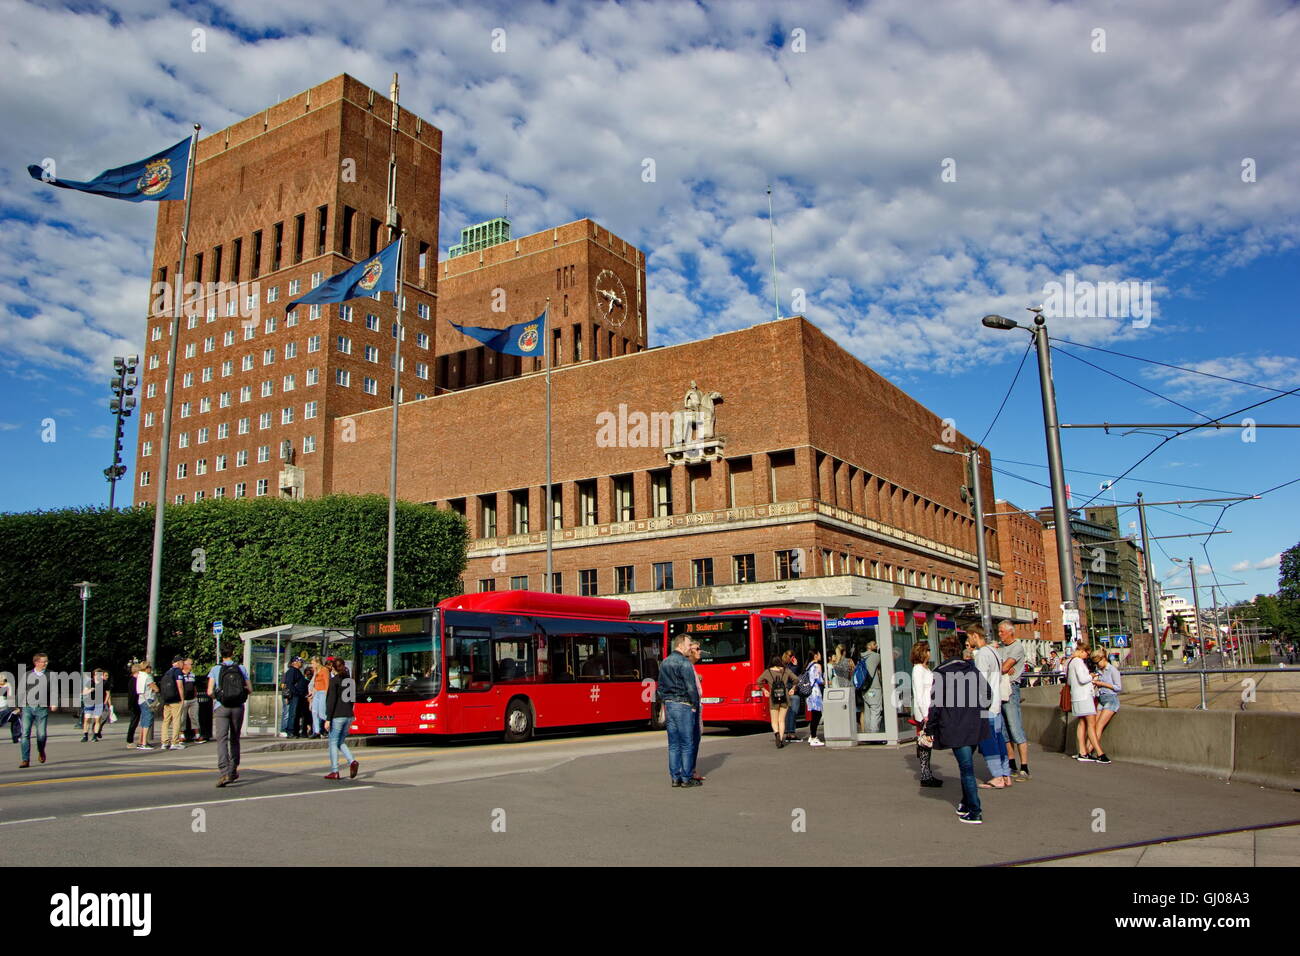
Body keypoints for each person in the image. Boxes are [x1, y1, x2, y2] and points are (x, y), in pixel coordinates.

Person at [924, 635, 987, 824]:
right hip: (974, 724)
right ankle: (966, 803)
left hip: (954, 725)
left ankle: (975, 810)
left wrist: (930, 728)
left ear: (944, 652)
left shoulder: (941, 672)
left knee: (966, 768)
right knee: (966, 766)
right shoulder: (972, 669)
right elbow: (988, 694)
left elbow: (935, 705)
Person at [967, 624, 1012, 789]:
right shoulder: (994, 651)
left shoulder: (982, 654)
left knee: (987, 741)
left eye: (969, 637)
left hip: (986, 705)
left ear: (974, 636)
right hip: (996, 703)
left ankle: (997, 776)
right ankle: (1006, 774)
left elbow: (979, 682)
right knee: (999, 739)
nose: (968, 640)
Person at [658, 633, 701, 787]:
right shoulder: (685, 663)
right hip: (684, 705)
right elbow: (691, 688)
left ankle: (675, 777)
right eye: (689, 645)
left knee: (674, 744)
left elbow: (660, 687)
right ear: (681, 645)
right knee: (687, 743)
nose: (691, 648)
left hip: (670, 704)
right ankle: (686, 778)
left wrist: (667, 699)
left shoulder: (665, 662)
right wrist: (694, 704)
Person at [208, 649, 251, 787]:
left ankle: (224, 771)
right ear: (233, 653)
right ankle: (233, 770)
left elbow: (209, 691)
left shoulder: (216, 669)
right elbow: (250, 689)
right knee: (235, 739)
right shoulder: (241, 668)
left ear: (221, 655)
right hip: (238, 707)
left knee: (221, 739)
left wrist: (219, 697)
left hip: (222, 707)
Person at [996, 620, 1031, 780]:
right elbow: (1001, 667)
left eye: (1002, 631)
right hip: (1000, 689)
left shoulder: (1016, 647)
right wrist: (1002, 667)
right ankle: (1011, 763)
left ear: (1010, 632)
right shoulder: (1000, 648)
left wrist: (1002, 667)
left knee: (1015, 727)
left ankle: (1024, 766)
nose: (999, 634)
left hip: (1011, 689)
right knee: (1003, 730)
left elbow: (1003, 667)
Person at [1068, 642, 1108, 763]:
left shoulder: (1070, 662)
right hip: (1084, 697)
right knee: (1091, 724)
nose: (1087, 656)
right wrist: (1091, 676)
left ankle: (1082, 752)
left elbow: (1070, 682)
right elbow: (1083, 679)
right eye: (1087, 653)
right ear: (1082, 651)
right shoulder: (1079, 662)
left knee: (1082, 723)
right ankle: (1100, 753)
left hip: (1076, 696)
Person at [910, 641, 941, 787]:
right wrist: (925, 713)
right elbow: (920, 693)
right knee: (925, 742)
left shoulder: (925, 668)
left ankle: (927, 773)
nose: (930, 653)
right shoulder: (918, 669)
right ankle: (925, 774)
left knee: (926, 742)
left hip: (928, 708)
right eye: (927, 650)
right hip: (924, 711)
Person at [323, 657, 360, 780]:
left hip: (337, 715)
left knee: (333, 743)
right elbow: (353, 699)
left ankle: (335, 771)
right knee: (340, 742)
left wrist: (328, 719)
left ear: (333, 668)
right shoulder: (350, 681)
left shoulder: (334, 681)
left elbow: (331, 701)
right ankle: (352, 761)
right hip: (349, 715)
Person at [18, 652, 52, 768]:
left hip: (42, 708)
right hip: (27, 708)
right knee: (25, 734)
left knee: (41, 735)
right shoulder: (27, 675)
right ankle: (25, 760)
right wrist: (18, 706)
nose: (46, 663)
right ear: (36, 662)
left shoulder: (50, 675)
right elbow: (21, 691)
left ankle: (41, 750)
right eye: (44, 661)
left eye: (47, 661)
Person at [756, 655, 796, 748]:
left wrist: (764, 690)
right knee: (781, 720)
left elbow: (758, 681)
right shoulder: (786, 670)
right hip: (785, 697)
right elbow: (796, 679)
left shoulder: (768, 672)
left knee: (774, 721)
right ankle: (781, 740)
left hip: (773, 697)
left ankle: (776, 734)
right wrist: (793, 689)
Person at [1092, 649, 1122, 751]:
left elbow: (1118, 687)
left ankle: (1089, 751)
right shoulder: (1099, 671)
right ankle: (1085, 753)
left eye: (1097, 662)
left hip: (1111, 699)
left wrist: (1102, 684)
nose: (1097, 665)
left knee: (1099, 726)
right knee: (1093, 726)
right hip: (1101, 698)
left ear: (1104, 658)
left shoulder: (1113, 670)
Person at [687, 640, 705, 782]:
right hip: (691, 708)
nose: (700, 651)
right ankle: (690, 771)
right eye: (697, 649)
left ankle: (690, 770)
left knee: (694, 739)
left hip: (694, 707)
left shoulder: (691, 668)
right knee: (692, 740)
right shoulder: (687, 667)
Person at [159, 655, 186, 751]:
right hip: (175, 699)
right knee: (176, 720)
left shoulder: (168, 672)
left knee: (166, 720)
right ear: (178, 663)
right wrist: (182, 698)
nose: (183, 664)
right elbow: (180, 685)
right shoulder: (178, 671)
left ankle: (164, 742)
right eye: (182, 662)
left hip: (166, 700)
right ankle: (175, 742)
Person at [279, 657, 307, 738]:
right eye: (300, 662)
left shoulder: (297, 671)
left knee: (297, 714)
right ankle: (290, 731)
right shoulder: (292, 671)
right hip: (294, 696)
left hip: (299, 696)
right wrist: (296, 693)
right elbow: (289, 684)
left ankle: (295, 731)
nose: (301, 663)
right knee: (292, 713)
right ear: (294, 662)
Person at [135, 662, 159, 750]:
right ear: (146, 668)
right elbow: (156, 688)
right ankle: (144, 742)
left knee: (143, 721)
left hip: (141, 700)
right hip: (148, 700)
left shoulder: (140, 677)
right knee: (147, 721)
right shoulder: (148, 677)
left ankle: (140, 741)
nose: (151, 669)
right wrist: (155, 687)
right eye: (149, 667)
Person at [80, 670, 109, 742]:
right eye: (96, 674)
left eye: (99, 674)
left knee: (97, 719)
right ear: (94, 675)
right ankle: (85, 735)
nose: (97, 676)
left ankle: (95, 736)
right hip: (90, 702)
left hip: (99, 703)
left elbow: (108, 693)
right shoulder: (90, 682)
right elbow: (83, 692)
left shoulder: (104, 683)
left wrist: (105, 702)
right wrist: (90, 690)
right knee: (87, 719)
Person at [179, 658, 203, 743]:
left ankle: (197, 735)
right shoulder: (180, 675)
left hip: (193, 699)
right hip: (184, 700)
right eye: (190, 664)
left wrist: (195, 695)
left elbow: (194, 686)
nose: (191, 666)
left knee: (194, 717)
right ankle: (181, 735)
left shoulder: (192, 675)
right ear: (185, 665)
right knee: (182, 718)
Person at [861, 640, 883, 733]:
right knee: (875, 710)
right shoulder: (875, 656)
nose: (876, 645)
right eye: (874, 644)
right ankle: (874, 734)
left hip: (865, 689)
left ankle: (868, 734)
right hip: (874, 688)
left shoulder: (862, 656)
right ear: (868, 646)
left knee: (867, 712)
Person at [805, 649, 825, 747]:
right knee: (817, 715)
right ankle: (813, 737)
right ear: (816, 656)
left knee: (814, 714)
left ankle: (812, 735)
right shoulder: (817, 666)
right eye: (819, 653)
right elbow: (820, 680)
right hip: (815, 692)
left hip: (809, 693)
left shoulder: (808, 665)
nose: (820, 655)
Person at [782, 650, 803, 741]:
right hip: (791, 692)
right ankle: (791, 733)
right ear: (791, 658)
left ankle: (787, 733)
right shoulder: (791, 667)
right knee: (793, 712)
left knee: (787, 713)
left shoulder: (782, 666)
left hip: (783, 693)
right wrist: (795, 665)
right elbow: (793, 676)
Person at [308, 655, 329, 739]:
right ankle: (316, 731)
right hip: (316, 692)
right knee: (314, 712)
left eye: (313, 663)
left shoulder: (324, 670)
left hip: (323, 692)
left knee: (322, 713)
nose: (312, 665)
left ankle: (328, 728)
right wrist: (312, 693)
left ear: (317, 662)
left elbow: (327, 683)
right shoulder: (315, 671)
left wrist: (327, 694)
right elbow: (314, 683)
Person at [0, 674, 20, 744]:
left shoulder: (7, 686)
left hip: (5, 711)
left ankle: (16, 737)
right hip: (2, 711)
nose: (3, 679)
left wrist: (15, 708)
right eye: (1, 677)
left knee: (16, 718)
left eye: (4, 678)